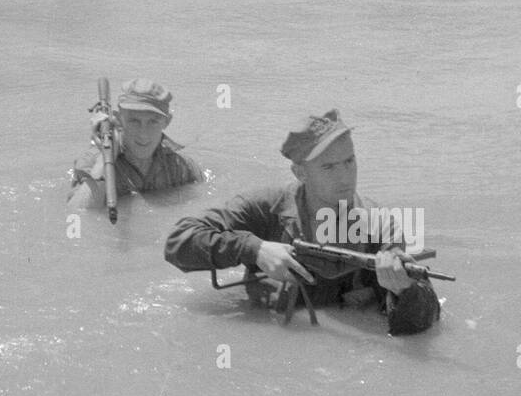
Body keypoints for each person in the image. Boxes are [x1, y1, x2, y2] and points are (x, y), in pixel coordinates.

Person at [163, 110, 440, 336]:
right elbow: (179, 242)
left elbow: (423, 325)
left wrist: (404, 290)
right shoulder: (265, 208)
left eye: (349, 161)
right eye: (329, 167)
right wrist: (255, 249)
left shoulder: (379, 225)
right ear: (300, 173)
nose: (345, 177)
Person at [68, 79, 202, 210]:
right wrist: (104, 160)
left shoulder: (181, 167)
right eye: (134, 121)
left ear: (167, 122)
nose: (143, 134)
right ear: (118, 119)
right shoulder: (93, 161)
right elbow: (78, 213)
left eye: (153, 122)